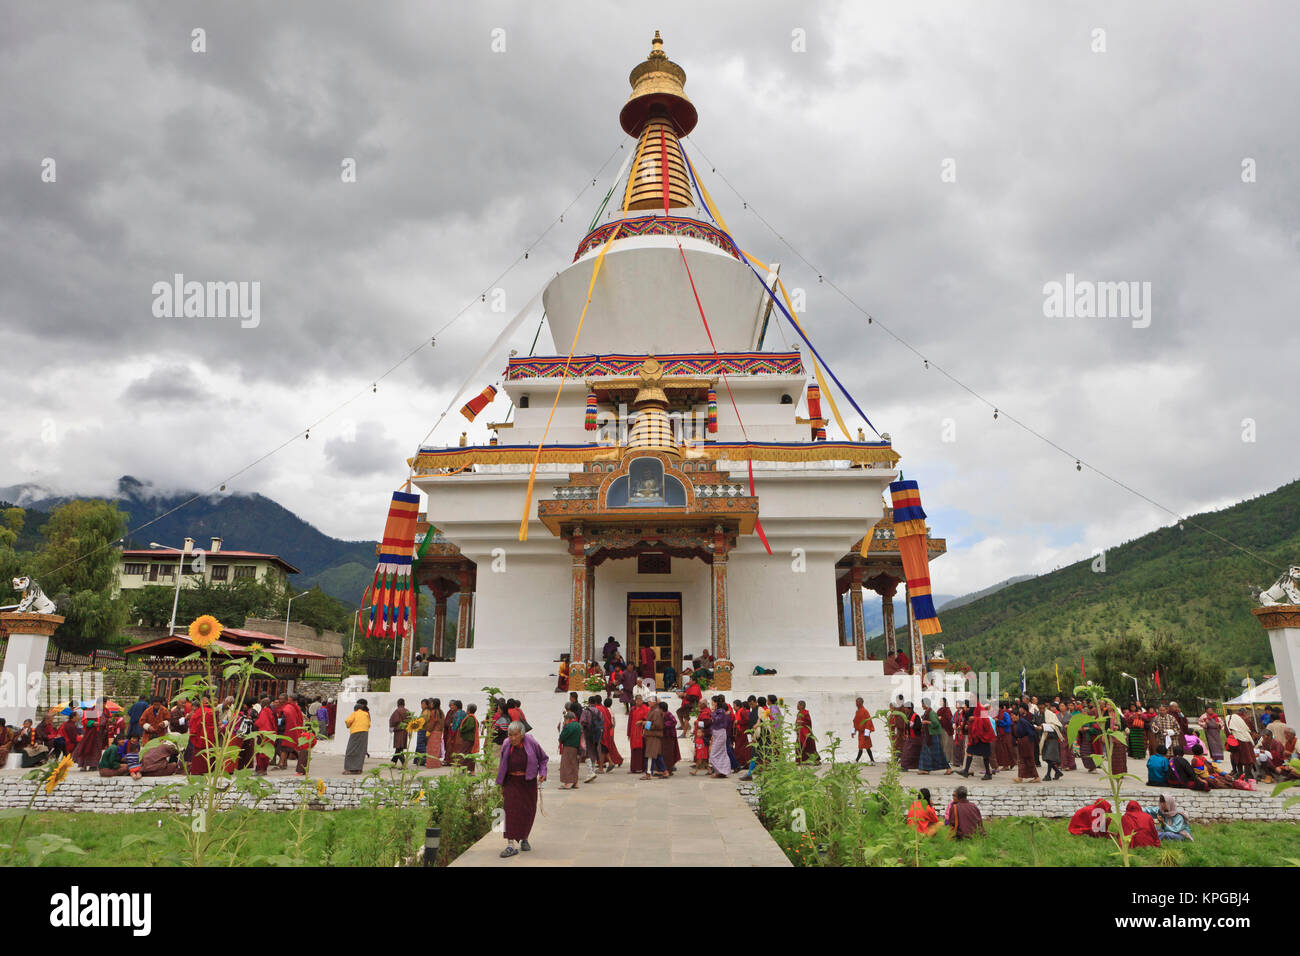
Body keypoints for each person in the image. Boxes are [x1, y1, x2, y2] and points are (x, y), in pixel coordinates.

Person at [497, 721, 548, 858]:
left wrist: (543, 772)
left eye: (515, 735)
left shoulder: (531, 742)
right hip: (512, 782)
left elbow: (543, 759)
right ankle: (510, 845)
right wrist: (503, 784)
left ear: (522, 734)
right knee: (510, 811)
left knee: (527, 811)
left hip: (528, 782)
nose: (512, 738)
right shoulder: (506, 744)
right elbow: (503, 763)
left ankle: (524, 837)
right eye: (510, 735)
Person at [959, 702, 995, 780]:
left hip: (983, 735)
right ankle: (966, 771)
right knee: (969, 752)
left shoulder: (981, 709)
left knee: (985, 755)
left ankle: (988, 773)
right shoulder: (973, 709)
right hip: (975, 736)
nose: (971, 699)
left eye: (973, 697)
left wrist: (975, 718)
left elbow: (986, 721)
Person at [918, 699, 950, 775]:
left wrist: (926, 722)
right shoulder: (927, 712)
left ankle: (948, 768)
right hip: (928, 735)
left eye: (922, 704)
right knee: (926, 753)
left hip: (932, 736)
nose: (922, 705)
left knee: (938, 753)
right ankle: (926, 769)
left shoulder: (931, 713)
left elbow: (936, 723)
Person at [187, 696, 217, 775]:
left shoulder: (199, 712)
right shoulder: (211, 711)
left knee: (198, 765)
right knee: (207, 764)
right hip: (209, 741)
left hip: (198, 741)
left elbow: (193, 727)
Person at [1226, 709, 1257, 780]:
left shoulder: (1230, 719)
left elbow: (1227, 732)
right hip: (1246, 741)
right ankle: (1247, 775)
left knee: (1238, 758)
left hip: (1236, 742)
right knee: (1248, 759)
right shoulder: (1246, 720)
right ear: (1244, 713)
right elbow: (1253, 730)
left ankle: (1239, 773)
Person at [1012, 704, 1040, 783]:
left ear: (1017, 716)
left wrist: (1027, 741)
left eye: (1014, 716)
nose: (1012, 717)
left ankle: (1036, 777)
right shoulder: (1015, 723)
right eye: (1011, 716)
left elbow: (1031, 732)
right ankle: (1020, 777)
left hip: (1027, 742)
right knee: (1021, 760)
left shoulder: (1023, 722)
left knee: (1030, 759)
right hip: (1021, 742)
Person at [643, 698, 668, 779]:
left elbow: (657, 725)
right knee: (657, 755)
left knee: (650, 755)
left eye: (650, 701)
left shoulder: (656, 712)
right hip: (652, 735)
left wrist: (645, 724)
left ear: (654, 702)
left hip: (653, 736)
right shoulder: (653, 711)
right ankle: (665, 772)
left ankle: (648, 774)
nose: (648, 702)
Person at [343, 699, 370, 774]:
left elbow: (348, 721)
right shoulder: (366, 714)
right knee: (361, 751)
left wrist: (349, 726)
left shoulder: (354, 713)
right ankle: (358, 769)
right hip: (365, 733)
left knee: (350, 750)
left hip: (355, 732)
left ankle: (348, 769)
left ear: (355, 709)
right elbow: (369, 724)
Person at [557, 710, 582, 789]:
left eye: (565, 719)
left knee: (567, 765)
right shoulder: (578, 725)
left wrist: (560, 740)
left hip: (568, 747)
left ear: (568, 719)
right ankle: (575, 783)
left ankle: (568, 783)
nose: (564, 721)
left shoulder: (569, 726)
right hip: (576, 747)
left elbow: (562, 737)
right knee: (574, 765)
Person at [708, 695, 731, 778]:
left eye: (713, 702)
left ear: (716, 703)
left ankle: (721, 771)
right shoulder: (719, 710)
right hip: (717, 734)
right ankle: (721, 772)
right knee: (721, 753)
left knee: (714, 754)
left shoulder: (721, 711)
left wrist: (713, 712)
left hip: (720, 733)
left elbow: (717, 720)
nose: (712, 704)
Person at [1041, 704, 1064, 780]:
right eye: (1039, 708)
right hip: (1044, 739)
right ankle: (1057, 772)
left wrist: (1048, 727)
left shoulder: (1051, 715)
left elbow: (1057, 727)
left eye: (1042, 708)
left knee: (1049, 757)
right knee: (1046, 758)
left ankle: (1048, 775)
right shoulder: (1039, 715)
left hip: (1052, 739)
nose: (1041, 710)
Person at [628, 695, 649, 774]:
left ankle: (641, 768)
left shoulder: (645, 708)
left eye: (641, 700)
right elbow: (630, 722)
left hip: (641, 732)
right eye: (638, 700)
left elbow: (648, 721)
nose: (640, 701)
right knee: (634, 750)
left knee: (641, 750)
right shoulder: (632, 709)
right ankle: (634, 768)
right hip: (634, 733)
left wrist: (646, 730)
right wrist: (629, 733)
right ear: (635, 701)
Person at [900, 703, 923, 770]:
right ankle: (905, 766)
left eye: (905, 708)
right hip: (910, 738)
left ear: (909, 708)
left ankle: (913, 766)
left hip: (916, 738)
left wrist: (913, 725)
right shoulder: (908, 716)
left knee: (912, 753)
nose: (904, 709)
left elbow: (919, 727)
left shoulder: (916, 716)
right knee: (906, 752)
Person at [795, 700, 819, 764]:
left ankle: (815, 760)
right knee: (798, 746)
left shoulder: (805, 713)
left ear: (802, 706)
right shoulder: (799, 713)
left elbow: (808, 722)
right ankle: (800, 760)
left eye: (798, 705)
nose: (797, 706)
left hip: (806, 733)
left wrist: (802, 722)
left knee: (809, 748)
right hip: (800, 732)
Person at [853, 697, 875, 764]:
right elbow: (855, 721)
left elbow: (868, 721)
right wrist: (853, 731)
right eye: (856, 702)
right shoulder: (857, 711)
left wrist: (867, 732)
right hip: (860, 732)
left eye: (858, 702)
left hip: (865, 732)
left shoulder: (865, 711)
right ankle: (872, 760)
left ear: (861, 703)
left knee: (863, 747)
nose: (856, 704)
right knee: (865, 747)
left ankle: (856, 760)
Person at [388, 698, 410, 766]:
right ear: (404, 703)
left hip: (399, 732)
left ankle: (404, 764)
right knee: (399, 748)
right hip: (405, 731)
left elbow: (393, 720)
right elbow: (410, 720)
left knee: (399, 748)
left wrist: (392, 727)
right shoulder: (407, 711)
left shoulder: (397, 711)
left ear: (398, 704)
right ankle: (393, 763)